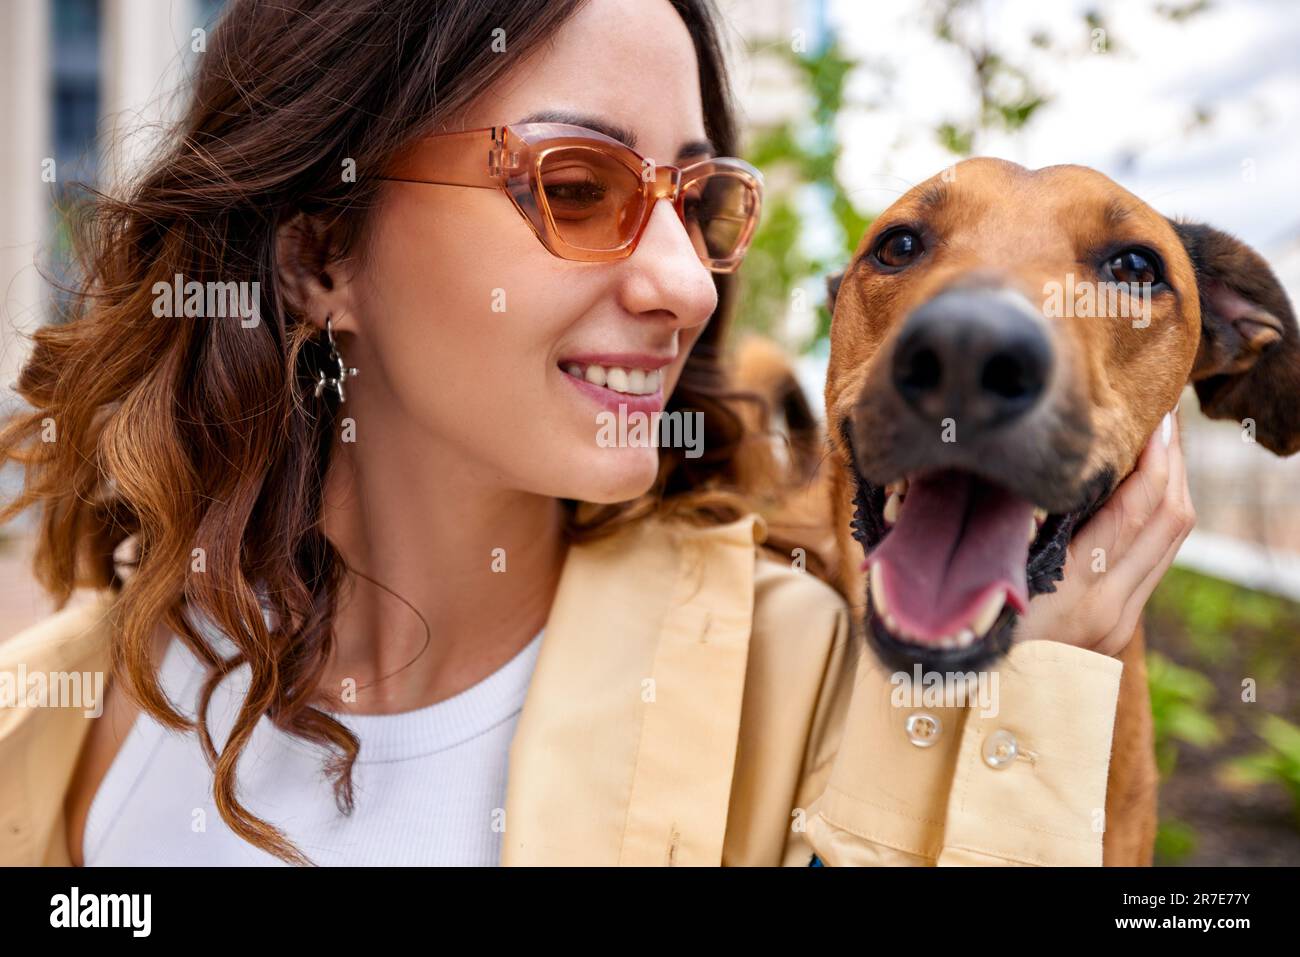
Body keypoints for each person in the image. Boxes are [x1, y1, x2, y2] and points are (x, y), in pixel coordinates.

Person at [0, 0, 1192, 867]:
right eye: (576, 188)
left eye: (698, 203)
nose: (687, 284)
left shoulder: (817, 686)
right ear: (320, 257)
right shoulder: (74, 691)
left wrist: (1041, 689)